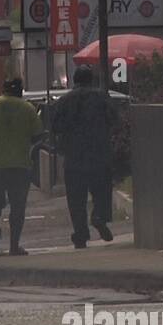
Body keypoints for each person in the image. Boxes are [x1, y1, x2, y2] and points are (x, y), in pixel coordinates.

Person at [50, 65, 118, 249]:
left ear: (75, 80)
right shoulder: (102, 97)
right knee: (102, 191)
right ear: (91, 79)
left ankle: (80, 233)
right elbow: (115, 119)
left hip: (74, 157)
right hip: (99, 153)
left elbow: (54, 125)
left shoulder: (64, 101)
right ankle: (99, 216)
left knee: (76, 199)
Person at [0, 78, 44, 256]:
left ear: (3, 89)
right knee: (18, 206)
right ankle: (14, 246)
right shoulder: (28, 108)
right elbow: (38, 135)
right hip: (20, 165)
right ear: (20, 91)